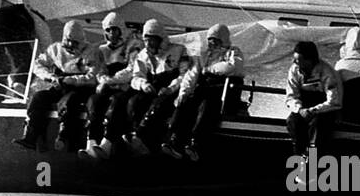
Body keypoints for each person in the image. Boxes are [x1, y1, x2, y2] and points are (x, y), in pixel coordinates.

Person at [14, 20, 100, 152]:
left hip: (80, 87)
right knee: (39, 97)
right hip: (59, 83)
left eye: (75, 42)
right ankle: (30, 136)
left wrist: (72, 80)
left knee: (69, 101)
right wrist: (50, 76)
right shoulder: (55, 49)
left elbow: (92, 77)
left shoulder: (90, 52)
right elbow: (38, 65)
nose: (71, 45)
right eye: (68, 40)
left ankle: (64, 137)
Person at [163, 23, 245, 161]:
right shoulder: (204, 56)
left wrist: (210, 70)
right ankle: (175, 139)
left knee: (207, 106)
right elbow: (192, 75)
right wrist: (183, 93)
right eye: (210, 39)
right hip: (204, 89)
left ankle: (196, 143)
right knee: (187, 102)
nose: (212, 43)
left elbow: (232, 67)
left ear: (223, 40)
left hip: (221, 92)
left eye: (215, 39)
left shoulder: (233, 52)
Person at [81, 13, 143, 159]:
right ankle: (91, 143)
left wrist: (112, 81)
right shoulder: (102, 50)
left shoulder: (134, 45)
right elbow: (99, 70)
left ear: (121, 29)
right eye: (108, 30)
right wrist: (104, 81)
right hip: (109, 85)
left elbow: (132, 69)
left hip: (127, 86)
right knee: (94, 101)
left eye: (115, 29)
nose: (112, 33)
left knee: (117, 103)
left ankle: (107, 144)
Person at [125, 20, 187, 156]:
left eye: (151, 40)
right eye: (146, 40)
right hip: (151, 89)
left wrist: (170, 88)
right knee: (134, 102)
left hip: (170, 92)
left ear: (160, 39)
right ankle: (136, 136)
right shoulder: (142, 55)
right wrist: (143, 84)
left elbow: (185, 75)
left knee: (158, 104)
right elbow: (135, 77)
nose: (148, 44)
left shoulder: (178, 50)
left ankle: (141, 136)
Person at [285, 41, 343, 172]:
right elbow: (291, 95)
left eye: (299, 60)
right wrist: (299, 109)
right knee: (292, 122)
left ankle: (314, 159)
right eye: (295, 60)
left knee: (318, 126)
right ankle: (298, 156)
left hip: (324, 108)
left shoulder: (327, 72)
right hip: (302, 106)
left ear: (310, 60)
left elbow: (334, 100)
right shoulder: (294, 70)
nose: (296, 63)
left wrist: (313, 111)